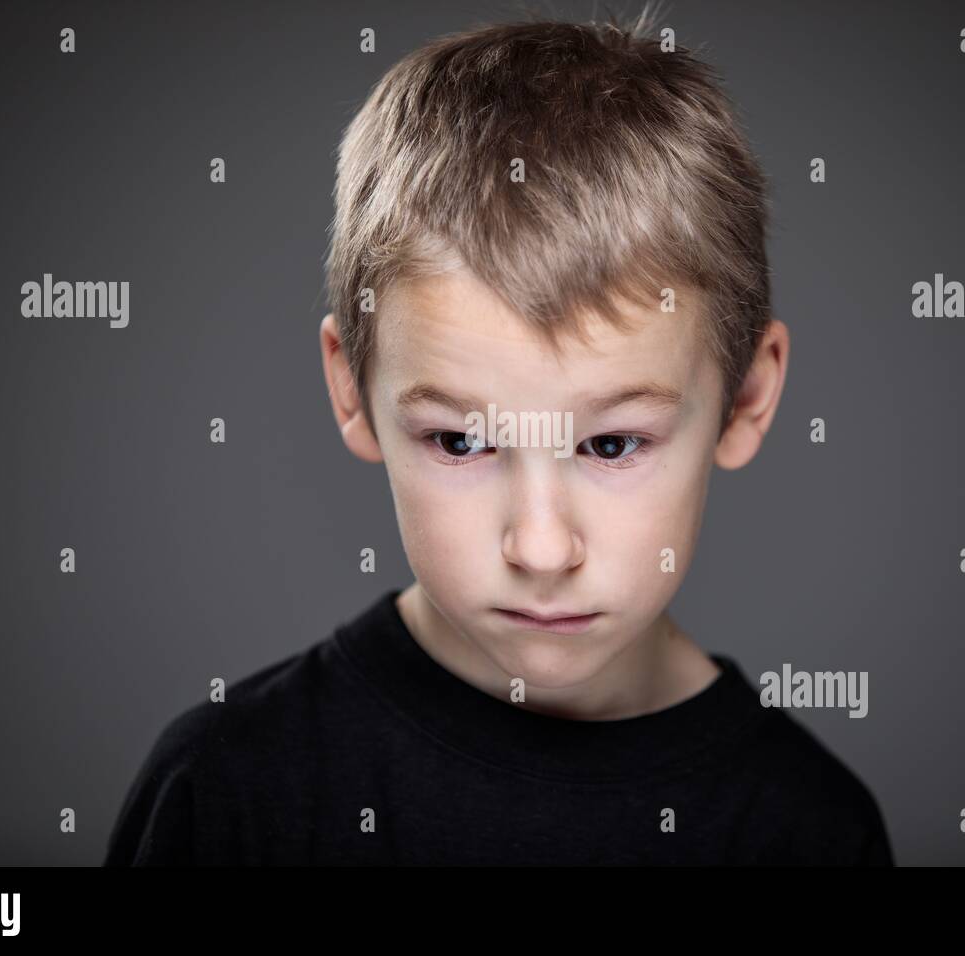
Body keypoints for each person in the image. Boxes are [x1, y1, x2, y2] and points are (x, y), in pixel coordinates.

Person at [104, 9, 894, 866]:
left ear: (745, 399)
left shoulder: (809, 830)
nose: (542, 548)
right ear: (351, 390)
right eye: (460, 443)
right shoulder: (226, 794)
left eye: (611, 445)